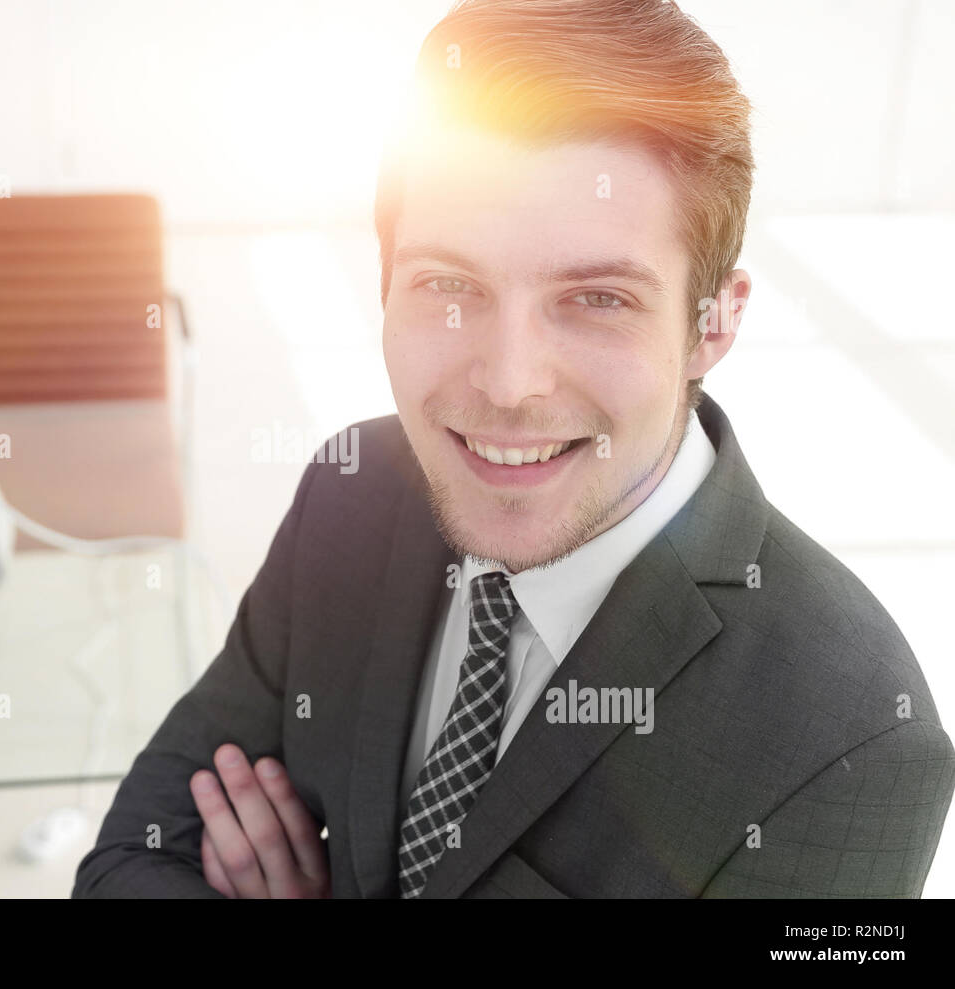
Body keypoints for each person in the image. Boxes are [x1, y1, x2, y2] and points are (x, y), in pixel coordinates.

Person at [73, 0, 954, 898]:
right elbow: (127, 866)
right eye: (449, 285)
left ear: (712, 323)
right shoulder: (354, 492)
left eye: (597, 298)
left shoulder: (856, 744)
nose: (507, 382)